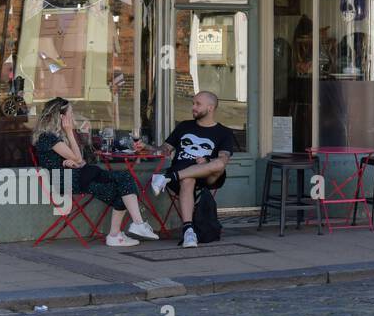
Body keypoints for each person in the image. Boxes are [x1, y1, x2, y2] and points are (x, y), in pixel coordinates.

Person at [32, 97, 159, 247]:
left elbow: (80, 161)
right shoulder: (48, 138)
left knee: (123, 183)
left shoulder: (56, 136)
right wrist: (70, 133)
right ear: (61, 117)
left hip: (75, 175)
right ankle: (122, 231)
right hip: (65, 181)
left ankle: (122, 231)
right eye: (71, 113)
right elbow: (79, 159)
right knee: (122, 184)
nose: (73, 116)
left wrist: (74, 162)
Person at [150, 91, 235, 248]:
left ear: (210, 108)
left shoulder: (224, 132)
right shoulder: (184, 126)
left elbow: (223, 159)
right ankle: (189, 231)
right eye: (193, 103)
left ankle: (168, 177)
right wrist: (147, 148)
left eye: (198, 104)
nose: (193, 107)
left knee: (219, 164)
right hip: (182, 174)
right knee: (188, 179)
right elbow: (164, 150)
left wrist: (208, 159)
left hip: (208, 175)